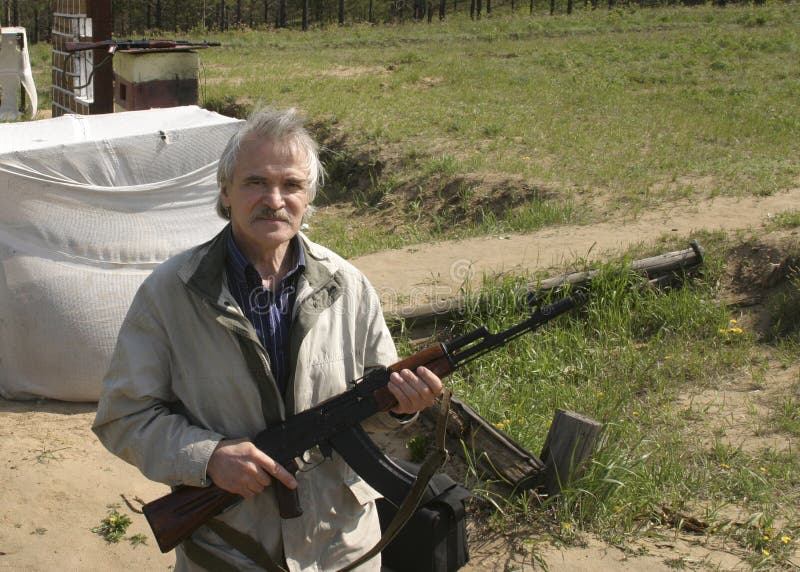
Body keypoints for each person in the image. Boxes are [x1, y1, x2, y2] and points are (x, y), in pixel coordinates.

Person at [92, 107, 443, 571]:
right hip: (228, 550)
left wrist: (402, 407)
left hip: (341, 549)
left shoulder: (349, 285)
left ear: (308, 195)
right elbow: (124, 416)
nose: (274, 200)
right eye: (256, 182)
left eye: (291, 185)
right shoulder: (169, 293)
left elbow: (374, 412)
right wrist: (208, 457)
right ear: (225, 191)